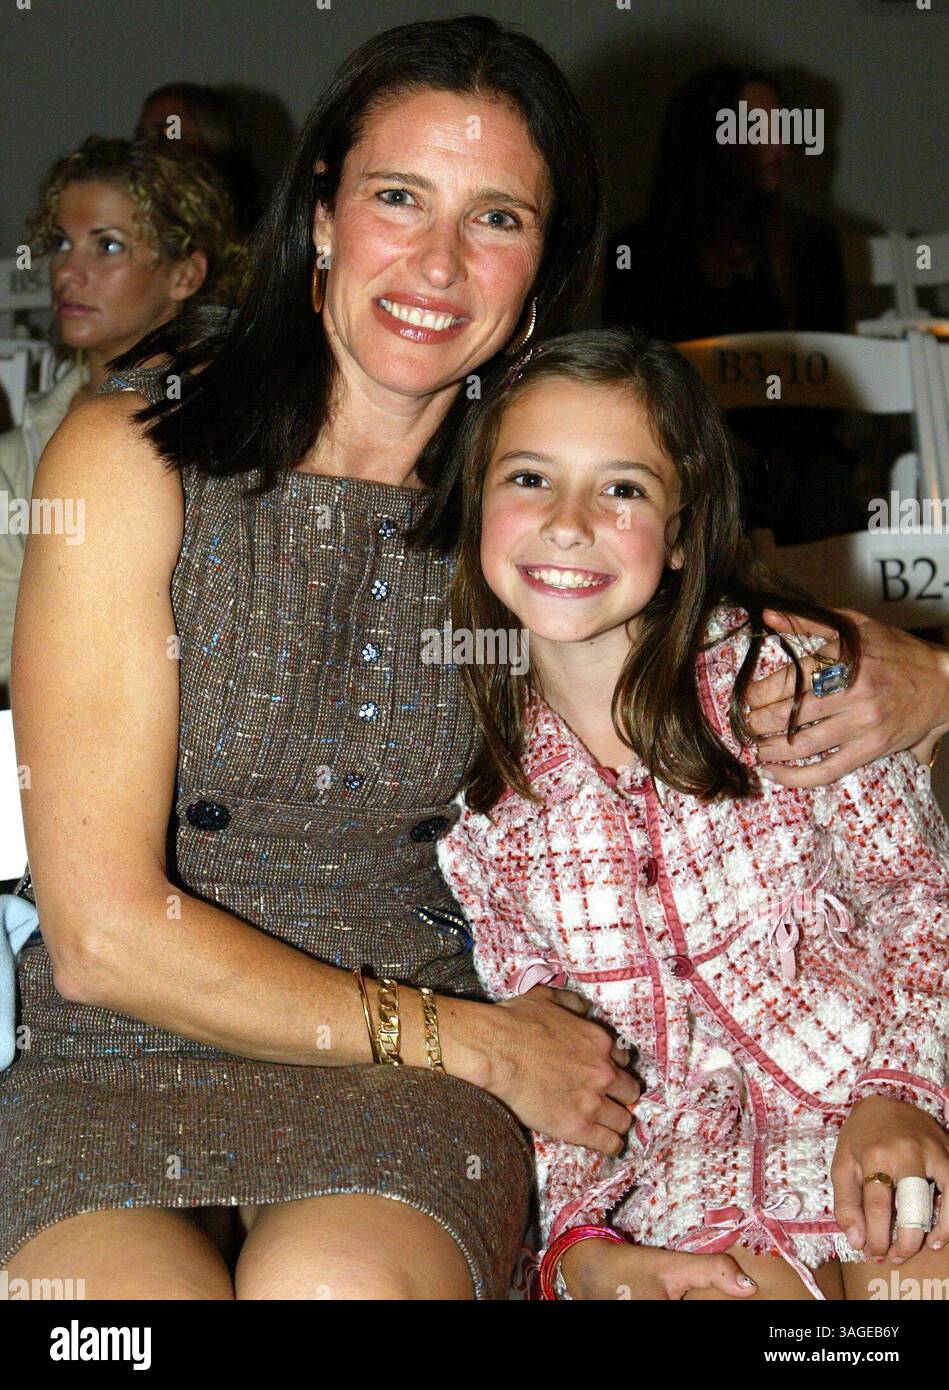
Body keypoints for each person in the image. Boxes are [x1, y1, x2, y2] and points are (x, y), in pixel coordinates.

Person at [1, 15, 948, 1302]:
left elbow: (710, 639)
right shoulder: (135, 457)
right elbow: (103, 934)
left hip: (405, 1085)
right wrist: (483, 1046)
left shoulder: (525, 503)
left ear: (544, 264)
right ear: (322, 211)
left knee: (335, 1293)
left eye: (497, 218)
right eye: (400, 196)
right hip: (140, 1045)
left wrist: (934, 680)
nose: (438, 261)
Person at [437, 327, 949, 1301]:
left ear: (678, 534)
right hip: (675, 1177)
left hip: (889, 1084)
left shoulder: (790, 681)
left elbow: (919, 894)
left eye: (621, 487)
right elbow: (550, 1075)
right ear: (475, 512)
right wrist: (577, 1244)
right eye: (530, 479)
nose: (571, 522)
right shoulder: (481, 807)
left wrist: (901, 1094)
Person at [0, 136, 243, 699]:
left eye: (107, 247)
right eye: (61, 243)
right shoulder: (21, 454)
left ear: (184, 275)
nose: (68, 272)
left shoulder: (237, 427)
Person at [603, 65, 861, 545]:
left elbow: (831, 373)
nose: (778, 145)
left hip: (800, 465)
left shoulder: (809, 244)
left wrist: (785, 456)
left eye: (781, 127)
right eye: (755, 129)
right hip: (685, 451)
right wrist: (727, 450)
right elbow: (635, 382)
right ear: (706, 140)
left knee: (825, 492)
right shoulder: (639, 250)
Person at [136, 82, 267, 236]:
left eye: (167, 133)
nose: (146, 147)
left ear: (215, 139)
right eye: (141, 136)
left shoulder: (261, 235)